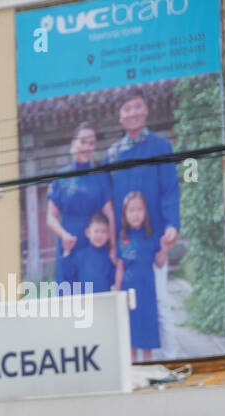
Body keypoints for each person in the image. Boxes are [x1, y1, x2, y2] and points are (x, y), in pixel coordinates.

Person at [105, 88, 179, 355]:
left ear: (146, 110)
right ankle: (134, 366)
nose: (133, 113)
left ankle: (172, 363)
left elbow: (171, 189)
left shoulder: (161, 147)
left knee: (160, 303)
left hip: (154, 241)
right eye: (127, 109)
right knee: (128, 307)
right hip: (125, 247)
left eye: (137, 107)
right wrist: (113, 245)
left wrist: (171, 227)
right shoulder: (112, 155)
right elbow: (108, 204)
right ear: (120, 117)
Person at [46, 122, 115, 270]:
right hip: (69, 243)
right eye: (82, 142)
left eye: (91, 143)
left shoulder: (101, 176)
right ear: (73, 144)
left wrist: (113, 245)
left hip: (95, 243)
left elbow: (109, 213)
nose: (86, 147)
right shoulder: (61, 178)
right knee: (71, 290)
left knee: (95, 289)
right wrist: (64, 235)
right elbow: (50, 217)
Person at [115, 192, 165, 362]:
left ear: (145, 212)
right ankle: (134, 369)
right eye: (131, 210)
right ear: (125, 214)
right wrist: (118, 292)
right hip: (129, 290)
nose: (135, 214)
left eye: (139, 210)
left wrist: (164, 248)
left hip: (147, 289)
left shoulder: (151, 236)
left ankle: (148, 365)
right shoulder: (123, 238)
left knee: (147, 329)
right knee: (131, 332)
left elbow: (159, 262)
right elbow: (120, 267)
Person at [57, 211, 116, 293]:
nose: (99, 235)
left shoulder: (109, 257)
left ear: (108, 235)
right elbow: (68, 274)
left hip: (104, 300)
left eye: (103, 232)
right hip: (85, 301)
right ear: (88, 233)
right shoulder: (80, 256)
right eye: (96, 231)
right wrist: (67, 251)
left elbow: (113, 280)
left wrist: (116, 263)